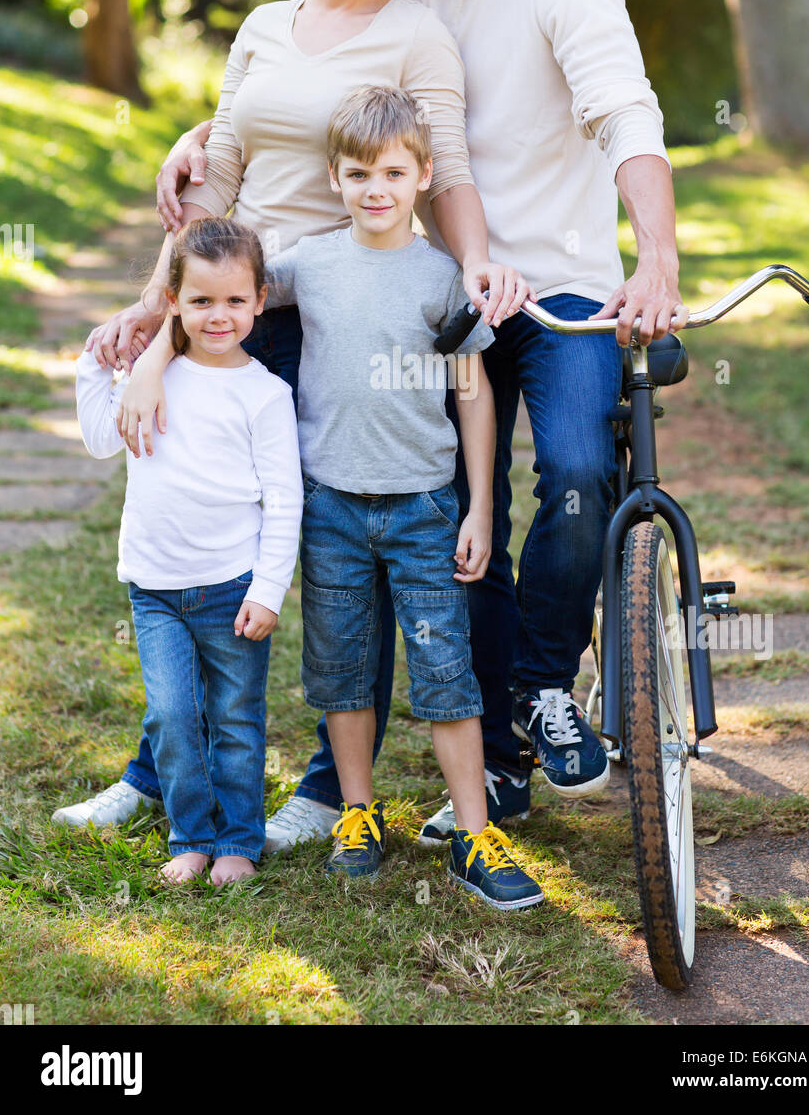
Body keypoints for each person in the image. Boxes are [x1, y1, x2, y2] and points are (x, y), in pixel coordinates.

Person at [138, 0, 691, 851]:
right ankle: (493, 750)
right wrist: (197, 141)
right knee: (447, 515)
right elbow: (291, 57)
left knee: (576, 470)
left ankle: (535, 689)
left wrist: (656, 253)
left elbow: (627, 113)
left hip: (559, 280)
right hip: (429, 290)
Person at [53, 0, 530, 847]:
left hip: (331, 322)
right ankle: (156, 764)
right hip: (230, 312)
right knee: (198, 548)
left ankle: (325, 789)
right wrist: (154, 317)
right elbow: (218, 178)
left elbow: (441, 167)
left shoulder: (414, 35)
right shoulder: (264, 27)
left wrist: (474, 269)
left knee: (351, 549)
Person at [124, 84, 543, 909]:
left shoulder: (443, 279)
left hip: (424, 507)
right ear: (335, 176)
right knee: (343, 671)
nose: (375, 189)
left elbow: (474, 396)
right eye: (358, 173)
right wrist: (149, 352)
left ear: (424, 175)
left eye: (393, 172)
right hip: (331, 509)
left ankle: (472, 827)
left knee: (444, 672)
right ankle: (357, 813)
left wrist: (482, 508)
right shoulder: (308, 263)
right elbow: (217, 294)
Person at [70, 217, 303, 884]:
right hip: (156, 590)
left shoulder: (265, 394)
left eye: (234, 301)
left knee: (235, 721)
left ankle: (237, 841)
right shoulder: (152, 379)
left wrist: (267, 591)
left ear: (260, 299)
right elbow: (99, 439)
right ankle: (190, 837)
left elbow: (284, 501)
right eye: (201, 301)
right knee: (173, 717)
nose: (218, 315)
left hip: (232, 588)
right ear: (172, 300)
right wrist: (94, 364)